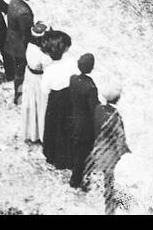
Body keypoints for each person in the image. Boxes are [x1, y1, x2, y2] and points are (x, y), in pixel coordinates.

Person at [84, 82, 131, 213]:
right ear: (117, 99)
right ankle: (110, 207)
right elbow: (120, 137)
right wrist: (126, 151)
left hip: (99, 148)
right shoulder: (115, 116)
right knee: (111, 179)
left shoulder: (98, 109)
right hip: (110, 153)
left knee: (104, 175)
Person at [42, 32, 77, 170]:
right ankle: (69, 157)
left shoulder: (49, 70)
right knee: (67, 127)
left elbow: (45, 90)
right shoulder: (71, 64)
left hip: (55, 99)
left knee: (54, 127)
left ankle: (54, 156)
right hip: (68, 97)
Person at [68, 53, 100, 188]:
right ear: (91, 68)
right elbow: (94, 108)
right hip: (85, 123)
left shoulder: (73, 79)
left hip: (74, 116)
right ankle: (75, 180)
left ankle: (72, 166)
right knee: (83, 152)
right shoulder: (91, 87)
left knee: (76, 146)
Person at [20, 22, 51, 143]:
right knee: (41, 105)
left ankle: (32, 132)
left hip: (29, 76)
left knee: (31, 104)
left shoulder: (30, 46)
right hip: (38, 80)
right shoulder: (42, 54)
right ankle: (42, 134)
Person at [4, 0, 35, 104]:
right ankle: (19, 96)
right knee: (21, 72)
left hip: (11, 41)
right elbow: (27, 35)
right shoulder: (25, 13)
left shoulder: (13, 1)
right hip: (20, 48)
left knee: (18, 71)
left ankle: (19, 94)